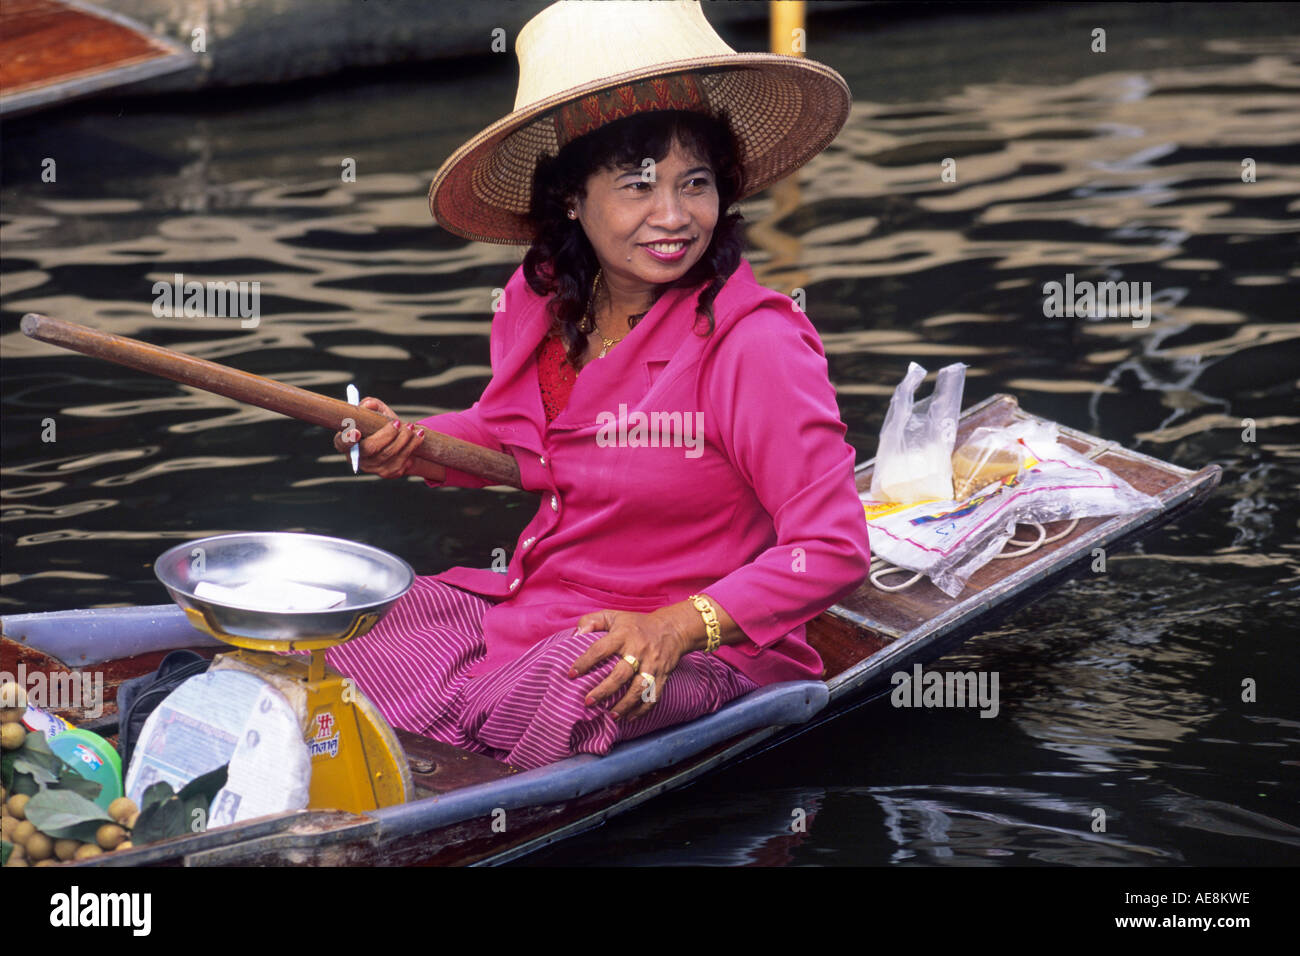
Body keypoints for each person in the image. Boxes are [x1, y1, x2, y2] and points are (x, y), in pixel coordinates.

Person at [329, 0, 870, 771]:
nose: (675, 216)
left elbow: (833, 548)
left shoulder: (755, 343)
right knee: (359, 621)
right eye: (638, 187)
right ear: (573, 200)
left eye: (697, 183)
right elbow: (518, 439)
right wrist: (409, 443)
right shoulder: (548, 308)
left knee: (573, 685)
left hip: (685, 650)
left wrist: (677, 626)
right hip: (540, 608)